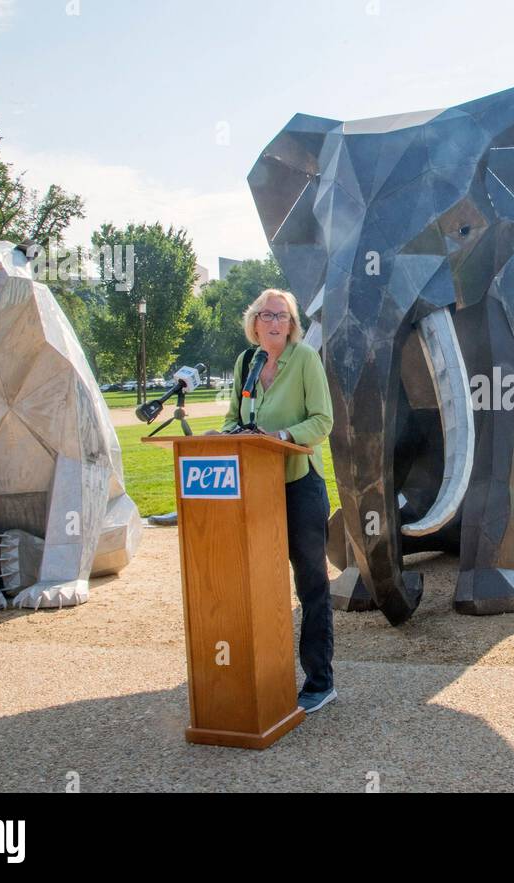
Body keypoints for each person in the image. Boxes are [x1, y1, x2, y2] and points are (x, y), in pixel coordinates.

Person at [219, 289, 337, 714]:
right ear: (254, 322)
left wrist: (281, 437)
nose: (274, 322)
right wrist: (231, 434)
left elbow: (323, 420)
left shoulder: (305, 359)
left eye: (282, 316)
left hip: (300, 483)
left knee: (311, 585)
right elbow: (234, 417)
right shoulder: (245, 363)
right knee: (259, 585)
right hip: (254, 486)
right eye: (266, 314)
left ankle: (320, 682)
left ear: (291, 325)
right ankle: (266, 678)